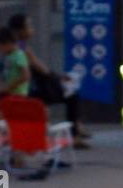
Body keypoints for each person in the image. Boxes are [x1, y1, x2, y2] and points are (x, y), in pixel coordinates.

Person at [9, 13, 90, 148]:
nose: (31, 29)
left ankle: (77, 127)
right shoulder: (22, 48)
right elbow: (42, 69)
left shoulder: (15, 46)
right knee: (72, 96)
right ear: (19, 30)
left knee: (69, 94)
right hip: (35, 90)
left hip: (32, 88)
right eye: (29, 26)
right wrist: (59, 77)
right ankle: (74, 134)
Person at [0, 27, 30, 96]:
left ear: (8, 43)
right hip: (10, 92)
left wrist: (8, 87)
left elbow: (25, 76)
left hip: (19, 94)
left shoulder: (19, 55)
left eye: (0, 47)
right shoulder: (8, 56)